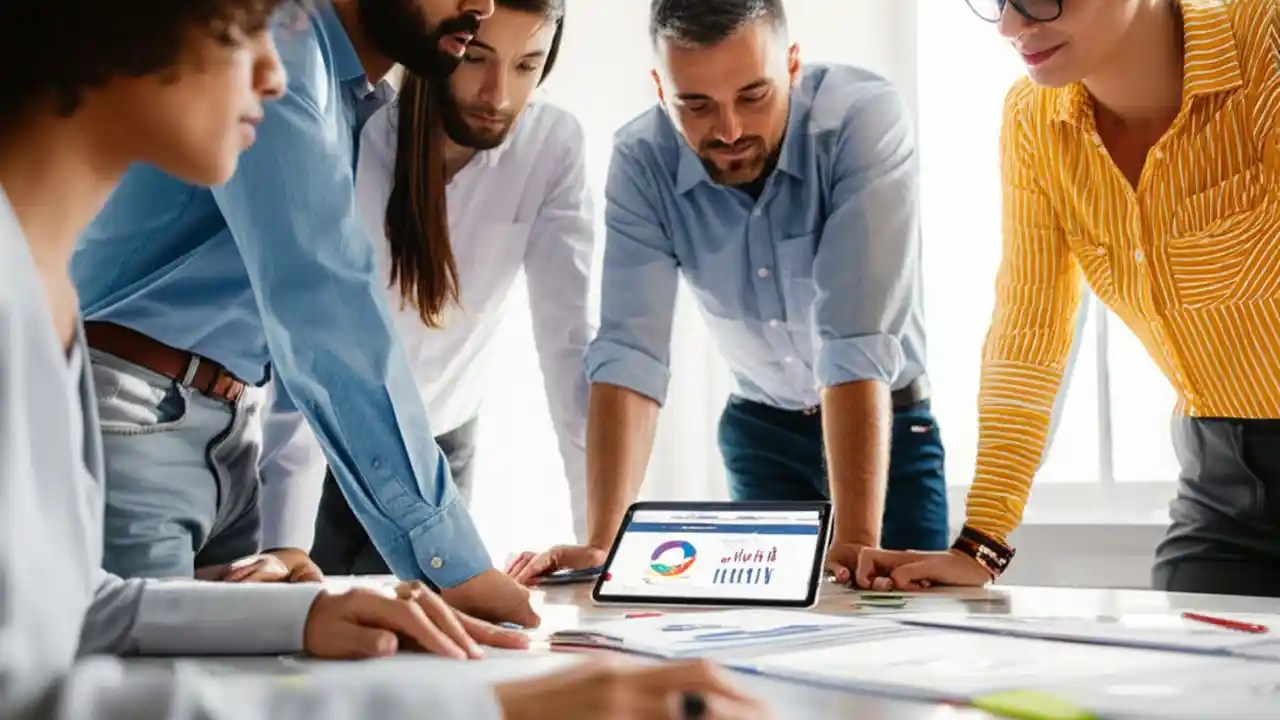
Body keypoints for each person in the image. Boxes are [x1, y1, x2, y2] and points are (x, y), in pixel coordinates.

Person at [0, 3, 767, 719]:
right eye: (244, 30)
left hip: (220, 425)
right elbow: (323, 317)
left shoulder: (41, 291)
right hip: (159, 411)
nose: (274, 74)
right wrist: (497, 705)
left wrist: (310, 609)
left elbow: (86, 613)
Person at [69, 0, 535, 624]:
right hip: (139, 422)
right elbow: (322, 304)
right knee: (145, 695)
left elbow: (286, 321)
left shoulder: (340, 89)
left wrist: (286, 538)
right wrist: (454, 561)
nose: (481, 4)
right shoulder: (282, 53)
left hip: (217, 431)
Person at [509, 0, 946, 586]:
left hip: (886, 423)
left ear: (791, 65)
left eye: (752, 96)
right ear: (660, 88)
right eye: (696, 105)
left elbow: (853, 338)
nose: (729, 130)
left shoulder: (863, 120)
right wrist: (604, 541)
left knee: (900, 630)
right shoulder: (643, 160)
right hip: (761, 432)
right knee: (770, 644)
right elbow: (631, 353)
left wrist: (858, 540)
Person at [856, 0, 1280, 598]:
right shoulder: (1034, 121)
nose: (1010, 25)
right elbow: (1028, 330)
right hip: (1222, 489)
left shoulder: (1265, 45)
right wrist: (982, 542)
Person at [258, 0, 594, 574]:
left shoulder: (552, 144)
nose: (498, 94)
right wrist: (284, 536)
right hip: (323, 444)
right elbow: (319, 336)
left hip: (444, 442)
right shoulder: (367, 127)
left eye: (526, 65)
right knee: (302, 643)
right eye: (479, 59)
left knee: (423, 646)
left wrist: (598, 532)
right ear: (451, 42)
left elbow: (569, 347)